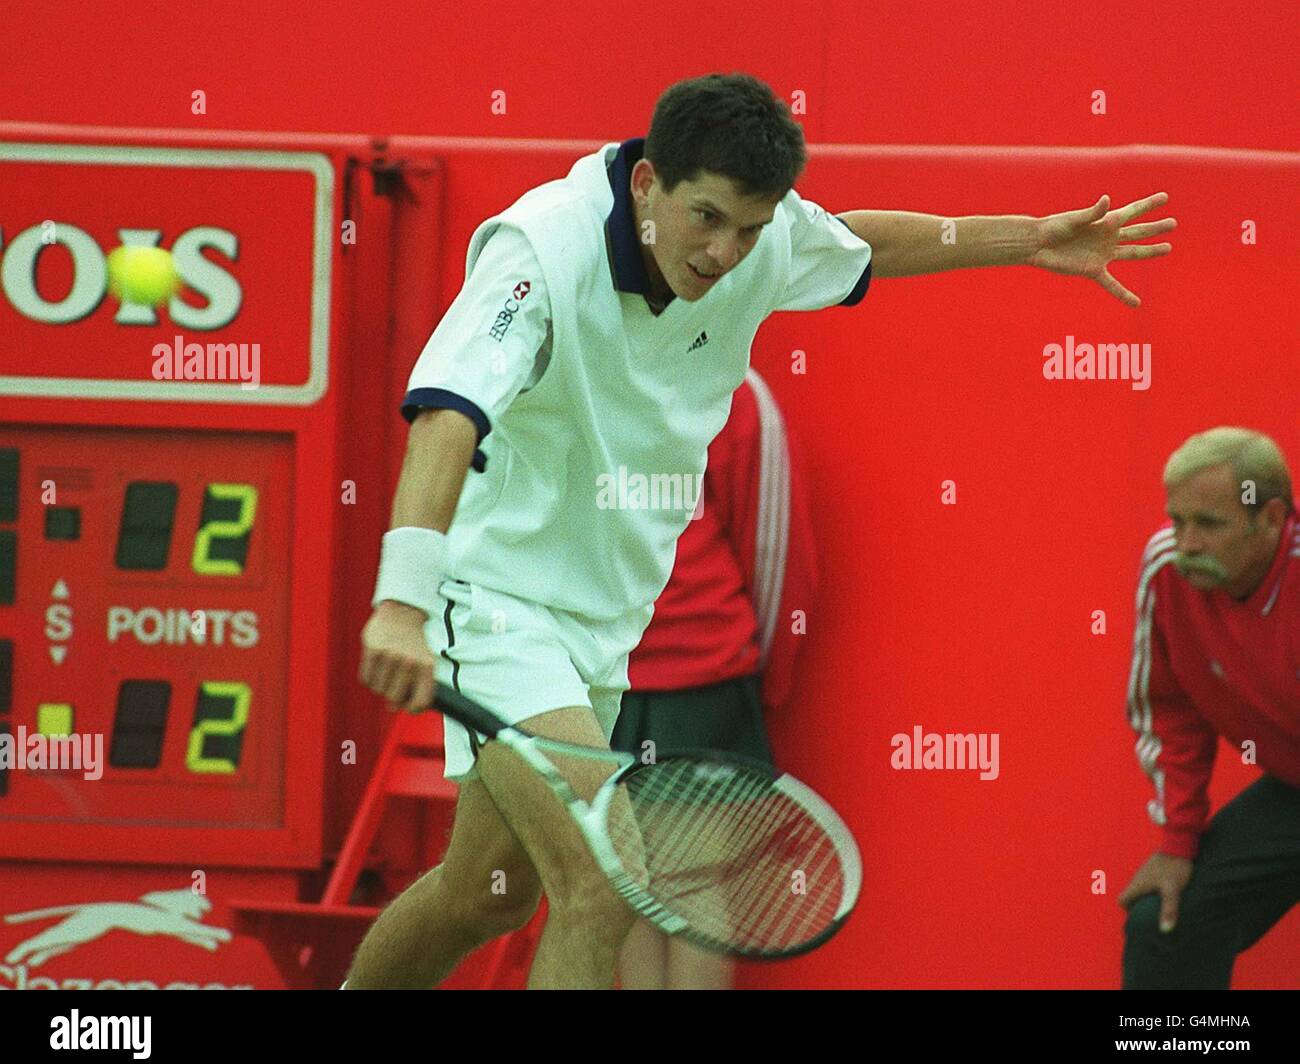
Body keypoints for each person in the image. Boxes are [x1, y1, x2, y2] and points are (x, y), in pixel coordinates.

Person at [347, 71, 1175, 990]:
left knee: (486, 894)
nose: (726, 253)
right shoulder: (543, 250)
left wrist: (1028, 240)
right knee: (605, 879)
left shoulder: (758, 240)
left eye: (749, 227)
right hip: (493, 598)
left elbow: (861, 241)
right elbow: (447, 412)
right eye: (706, 218)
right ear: (647, 184)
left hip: (604, 618)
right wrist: (401, 598)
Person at [612, 368, 816, 989]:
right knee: (647, 896)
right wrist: (766, 685)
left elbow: (776, 551)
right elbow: (781, 558)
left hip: (674, 684)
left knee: (655, 897)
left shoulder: (733, 388)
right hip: (633, 685)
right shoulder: (734, 389)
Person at [1119, 427, 1298, 989]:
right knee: (1166, 922)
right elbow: (1171, 712)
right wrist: (1179, 841)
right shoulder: (1169, 571)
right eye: (1178, 520)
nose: (1187, 542)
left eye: (1210, 524)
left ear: (1270, 519)